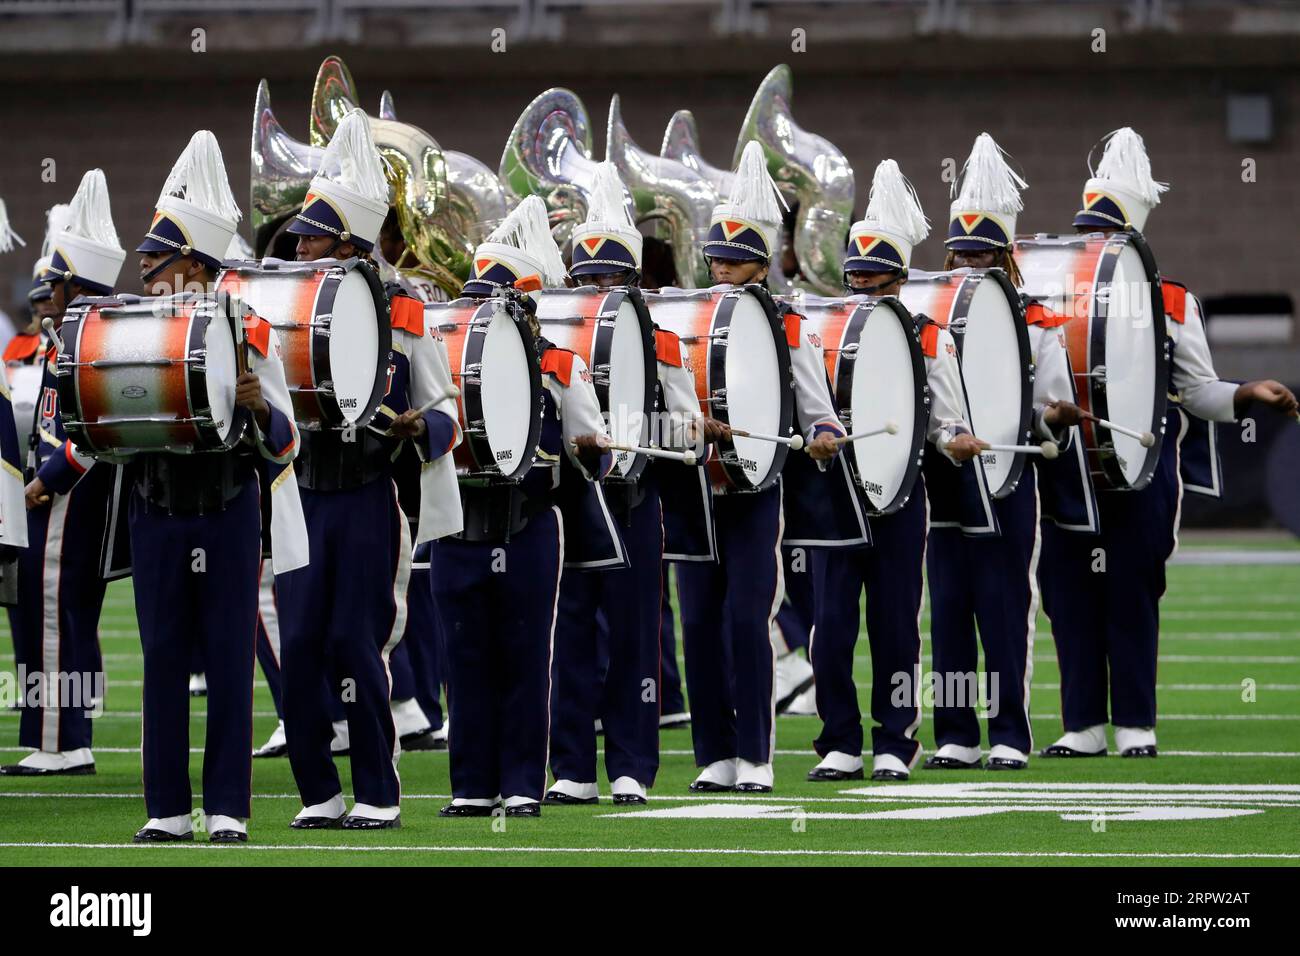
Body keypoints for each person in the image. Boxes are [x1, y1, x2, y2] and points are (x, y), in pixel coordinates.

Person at [1039, 128, 1298, 758]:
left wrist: (1243, 394)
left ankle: (1134, 722)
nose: (1096, 243)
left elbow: (1197, 390)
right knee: (1069, 592)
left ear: (1134, 239)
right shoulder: (1045, 295)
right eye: (1088, 232)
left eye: (1108, 233)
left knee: (1132, 589)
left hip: (1143, 470)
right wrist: (1048, 416)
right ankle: (1082, 724)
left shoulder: (1172, 301)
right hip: (1068, 469)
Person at [278, 109, 463, 830]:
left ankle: (378, 795)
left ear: (349, 242)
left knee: (356, 646)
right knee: (297, 651)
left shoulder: (404, 306)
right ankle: (317, 792)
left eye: (313, 237)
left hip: (365, 494)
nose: (299, 248)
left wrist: (425, 425)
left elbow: (447, 400)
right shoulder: (283, 301)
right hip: (301, 493)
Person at [120, 131, 308, 842]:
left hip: (228, 510)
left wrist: (260, 407)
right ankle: (166, 811)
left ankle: (227, 808)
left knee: (230, 663)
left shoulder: (248, 329)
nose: (142, 267)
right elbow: (97, 433)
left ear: (192, 265)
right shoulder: (130, 328)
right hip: (156, 509)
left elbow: (288, 443)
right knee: (163, 663)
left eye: (155, 258)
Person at [434, 195, 614, 818]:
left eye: (496, 304)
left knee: (524, 656)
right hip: (459, 522)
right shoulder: (445, 356)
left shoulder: (562, 366)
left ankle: (519, 784)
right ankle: (471, 785)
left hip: (529, 522)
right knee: (465, 655)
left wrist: (588, 447)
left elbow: (596, 455)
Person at [676, 141, 846, 794]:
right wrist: (691, 428)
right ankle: (712, 757)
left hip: (756, 490)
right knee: (695, 622)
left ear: (762, 264)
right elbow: (661, 406)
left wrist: (826, 433)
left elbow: (816, 406)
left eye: (737, 260)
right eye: (717, 257)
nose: (723, 269)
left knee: (746, 617)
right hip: (695, 490)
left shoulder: (788, 323)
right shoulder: (683, 317)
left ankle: (755, 756)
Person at [805, 160, 980, 783]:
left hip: (903, 496)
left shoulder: (930, 336)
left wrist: (957, 440)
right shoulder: (819, 326)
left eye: (877, 282)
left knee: (894, 627)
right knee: (829, 630)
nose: (865, 291)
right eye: (857, 279)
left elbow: (945, 417)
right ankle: (839, 742)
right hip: (835, 496)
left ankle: (894, 743)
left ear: (901, 280)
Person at [545, 162, 706, 806]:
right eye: (586, 280)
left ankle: (633, 763)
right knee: (571, 631)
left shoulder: (661, 343)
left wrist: (627, 433)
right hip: (573, 499)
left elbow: (688, 432)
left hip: (634, 501)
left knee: (635, 632)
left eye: (610, 279)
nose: (597, 291)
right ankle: (574, 768)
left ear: (634, 282)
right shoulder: (552, 335)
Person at [924, 133, 1083, 772]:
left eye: (982, 255)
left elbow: (1050, 403)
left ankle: (1010, 733)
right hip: (945, 477)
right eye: (960, 255)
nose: (969, 266)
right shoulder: (927, 317)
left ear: (1006, 256)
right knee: (949, 607)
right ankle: (956, 735)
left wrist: (1055, 415)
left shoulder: (1039, 319)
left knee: (1003, 605)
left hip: (1009, 478)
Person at [1, 171, 127, 779]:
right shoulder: (61, 339)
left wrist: (47, 478)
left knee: (52, 609)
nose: (39, 298)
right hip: (52, 493)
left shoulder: (92, 339)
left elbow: (96, 430)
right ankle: (60, 733)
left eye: (52, 288)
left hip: (69, 497)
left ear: (78, 289)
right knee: (44, 610)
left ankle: (61, 740)